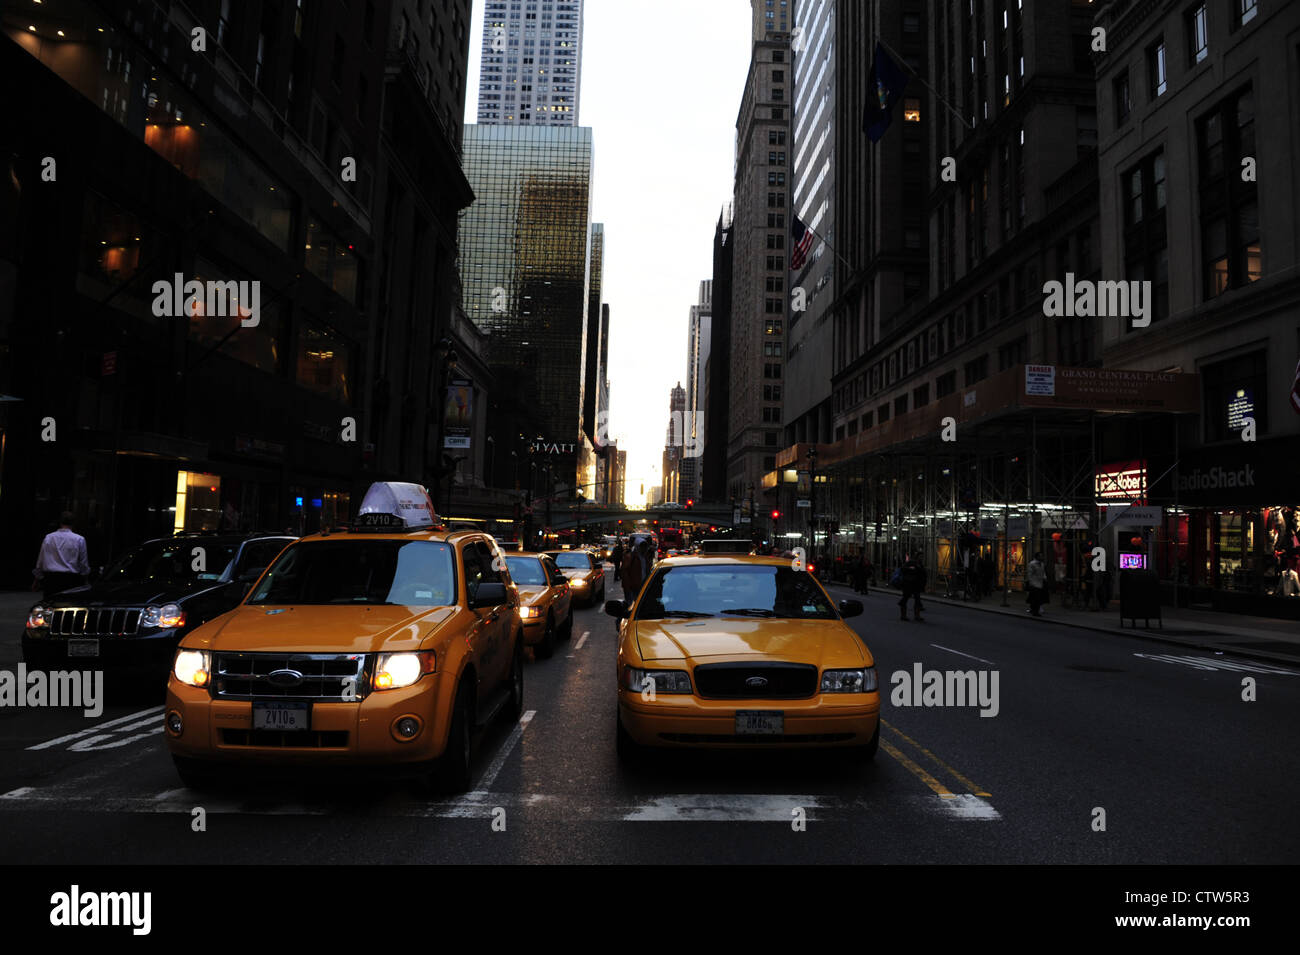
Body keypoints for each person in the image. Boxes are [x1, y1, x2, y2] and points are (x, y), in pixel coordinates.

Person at [33, 511, 90, 599]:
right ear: (74, 523)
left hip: (51, 579)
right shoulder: (79, 539)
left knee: (50, 605)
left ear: (60, 522)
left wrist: (37, 579)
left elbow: (41, 560)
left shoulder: (49, 537)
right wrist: (85, 579)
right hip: (71, 579)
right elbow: (83, 562)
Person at [620, 536, 655, 603]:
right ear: (637, 546)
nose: (644, 548)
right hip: (633, 588)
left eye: (645, 546)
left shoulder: (646, 558)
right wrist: (627, 588)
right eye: (642, 546)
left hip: (643, 586)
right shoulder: (630, 557)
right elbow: (624, 573)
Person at [898, 553, 926, 622]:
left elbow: (922, 574)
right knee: (906, 598)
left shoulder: (920, 564)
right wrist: (911, 569)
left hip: (916, 585)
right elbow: (902, 569)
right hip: (908, 584)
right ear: (917, 557)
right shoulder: (911, 563)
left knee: (917, 600)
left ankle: (917, 616)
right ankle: (903, 615)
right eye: (920, 557)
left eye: (922, 557)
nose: (921, 558)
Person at [1026, 552, 1048, 617]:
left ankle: (1034, 610)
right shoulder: (1032, 564)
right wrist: (1031, 583)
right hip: (1034, 583)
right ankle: (1035, 611)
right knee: (1036, 598)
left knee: (1038, 598)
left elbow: (1043, 572)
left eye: (1042, 556)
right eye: (1040, 556)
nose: (1042, 557)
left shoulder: (1042, 564)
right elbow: (1029, 574)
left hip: (1040, 583)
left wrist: (1045, 578)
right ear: (1037, 557)